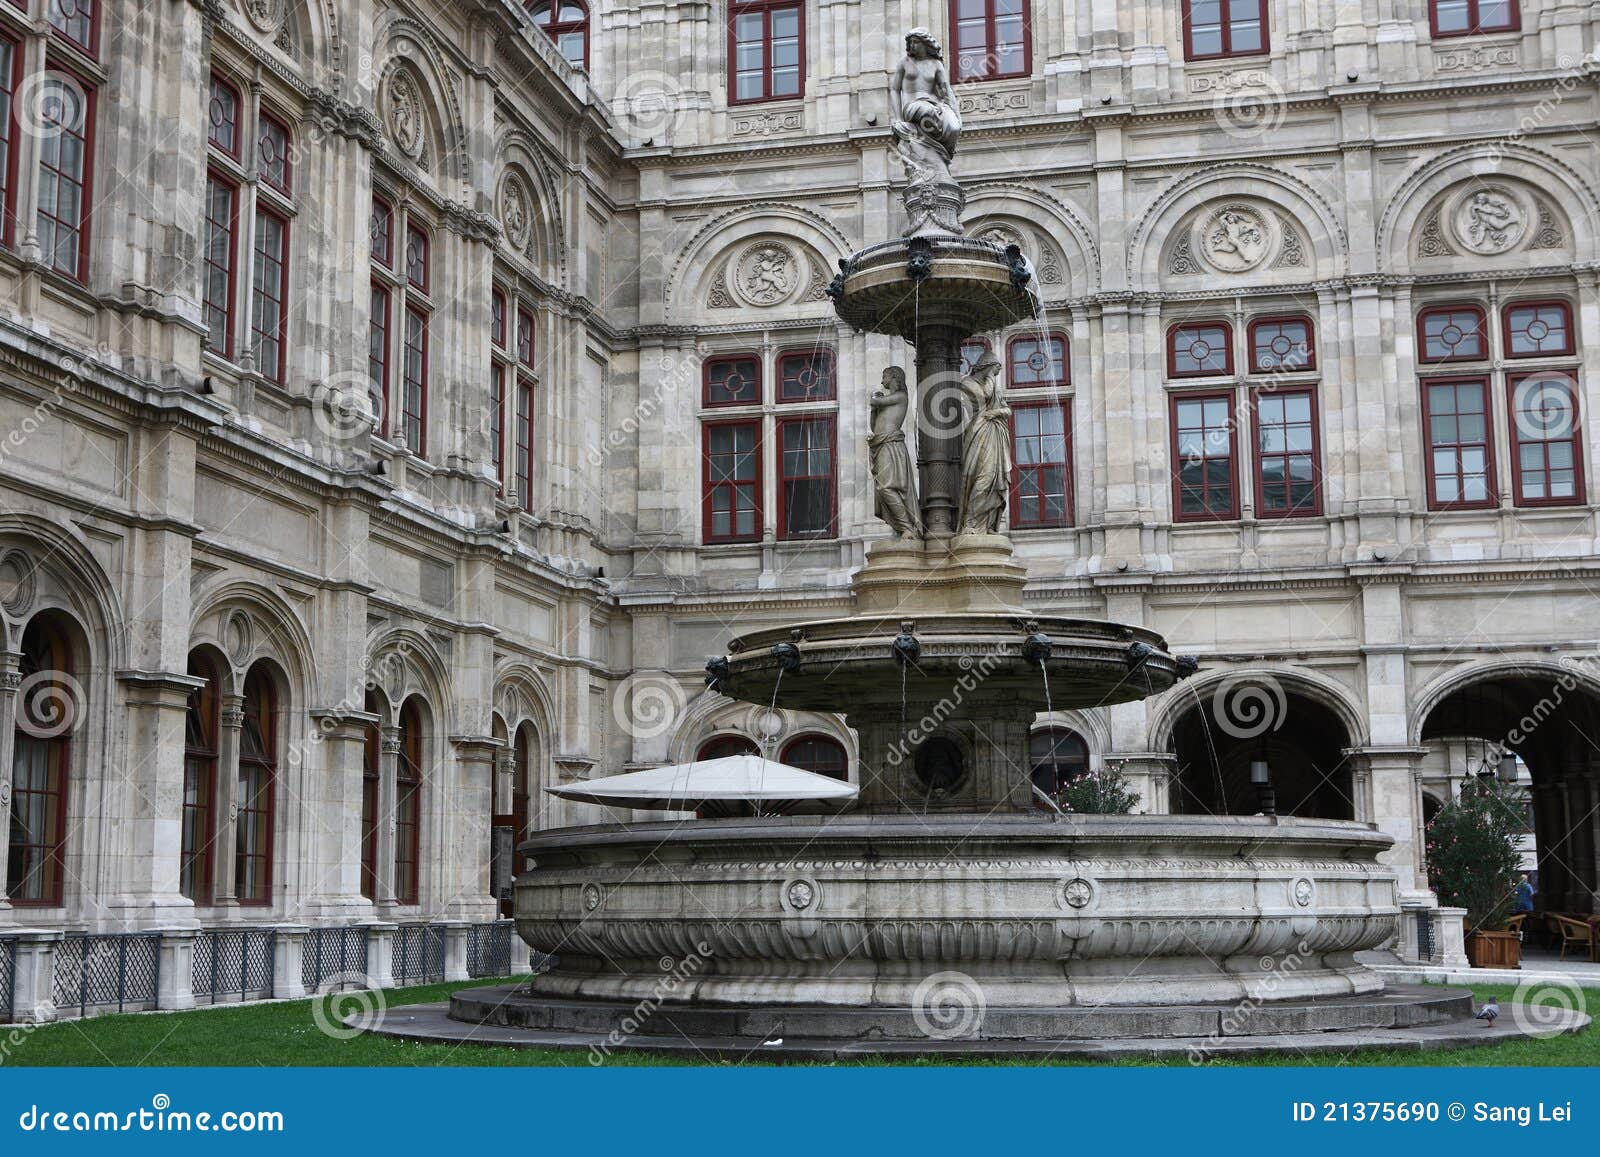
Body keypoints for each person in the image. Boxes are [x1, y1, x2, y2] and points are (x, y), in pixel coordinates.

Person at [956, 350, 1011, 534]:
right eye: (995, 371)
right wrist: (990, 378)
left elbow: (1007, 410)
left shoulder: (993, 385)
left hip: (995, 432)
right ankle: (970, 522)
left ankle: (986, 524)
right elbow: (983, 396)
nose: (996, 376)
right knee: (981, 477)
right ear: (986, 366)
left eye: (996, 374)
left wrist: (996, 412)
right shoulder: (967, 383)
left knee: (993, 478)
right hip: (977, 431)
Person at [869, 367, 921, 539]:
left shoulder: (900, 396)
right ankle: (903, 527)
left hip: (891, 445)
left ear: (893, 377)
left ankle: (907, 528)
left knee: (886, 487)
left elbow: (876, 401)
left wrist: (875, 398)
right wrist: (873, 409)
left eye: (884, 377)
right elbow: (873, 425)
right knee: (884, 487)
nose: (882, 381)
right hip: (882, 445)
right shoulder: (888, 400)